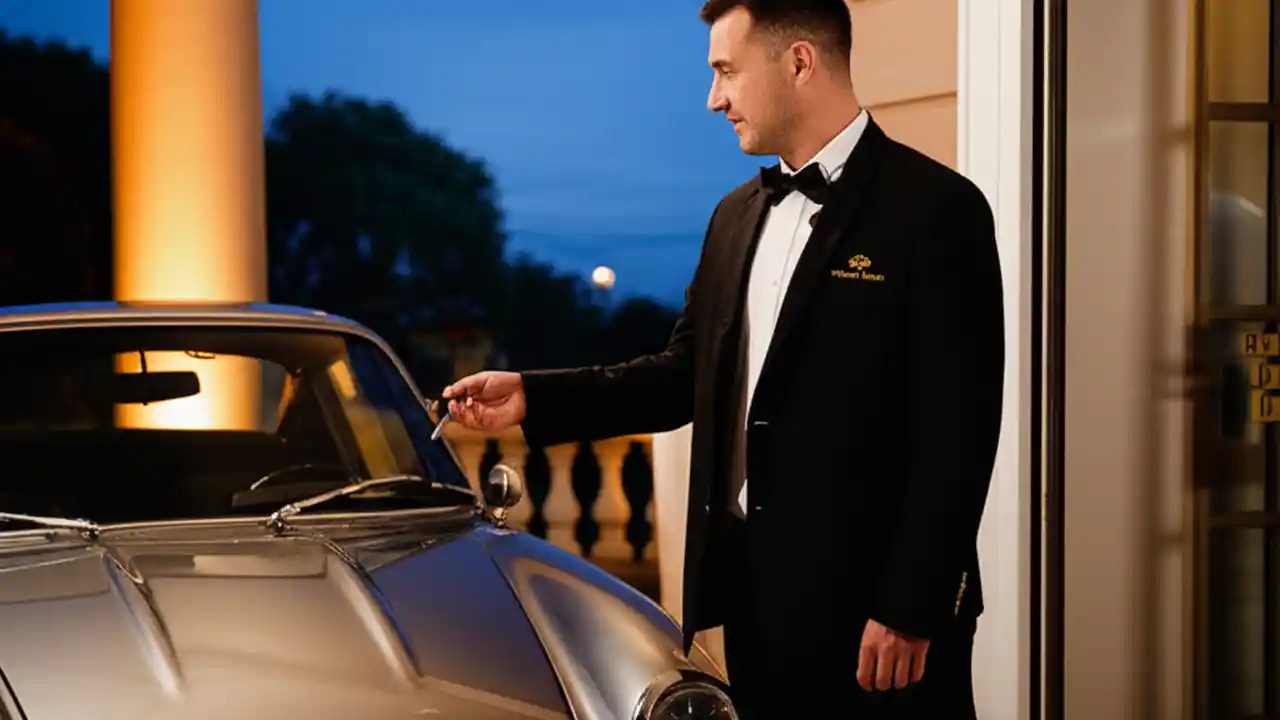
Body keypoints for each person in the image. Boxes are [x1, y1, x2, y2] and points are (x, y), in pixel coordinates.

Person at [441, 0, 1004, 716]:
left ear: (798, 61)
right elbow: (683, 377)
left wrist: (912, 606)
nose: (714, 99)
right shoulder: (733, 216)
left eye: (726, 71)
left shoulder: (938, 210)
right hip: (756, 601)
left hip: (879, 616)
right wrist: (534, 396)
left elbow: (959, 428)